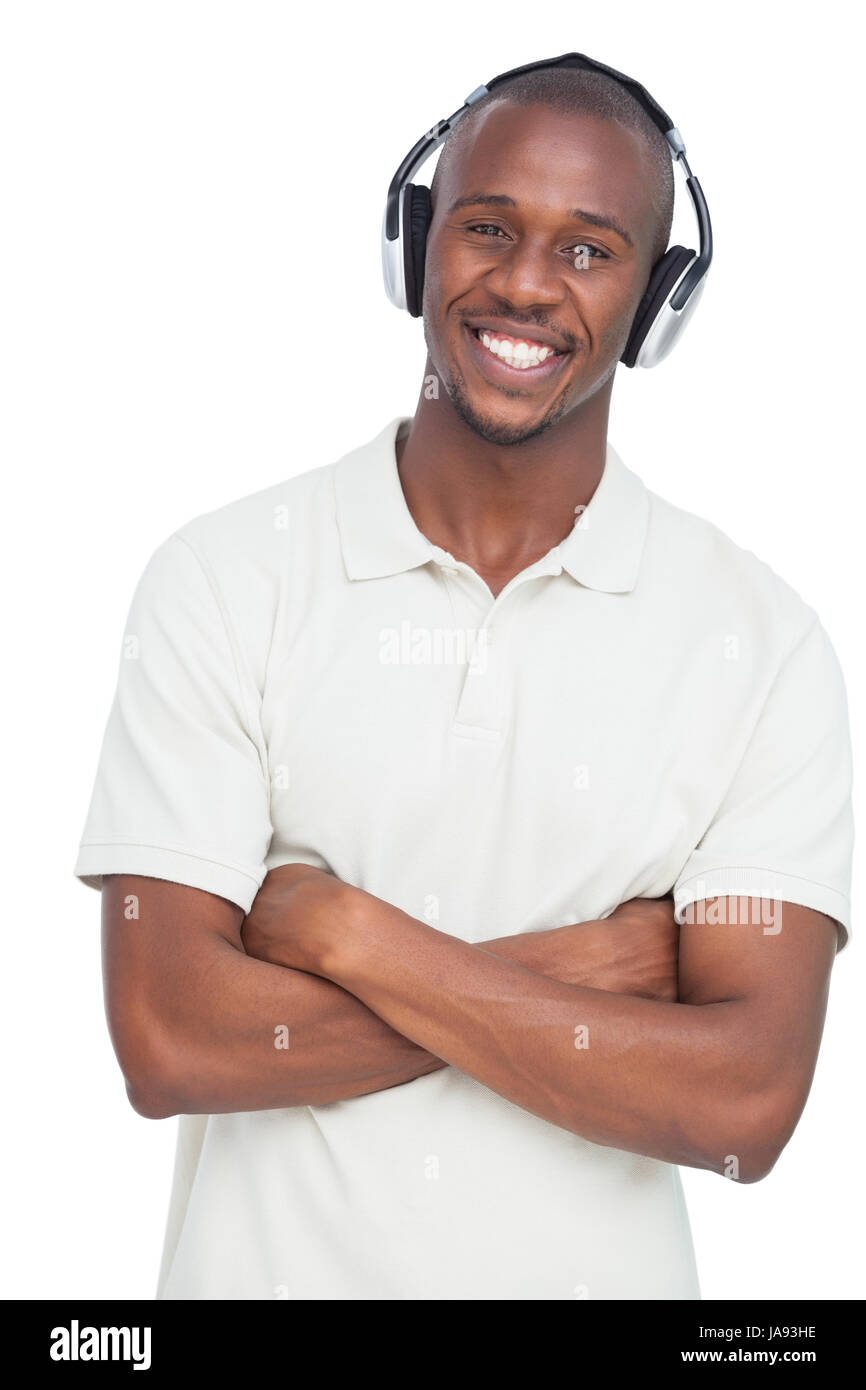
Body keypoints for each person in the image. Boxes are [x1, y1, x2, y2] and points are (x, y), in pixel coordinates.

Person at [74, 56, 853, 1301]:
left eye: (589, 250)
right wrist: (593, 970)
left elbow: (743, 1104)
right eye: (488, 227)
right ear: (420, 242)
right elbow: (169, 1044)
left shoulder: (756, 645)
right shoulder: (224, 581)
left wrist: (343, 931)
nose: (526, 285)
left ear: (657, 301)